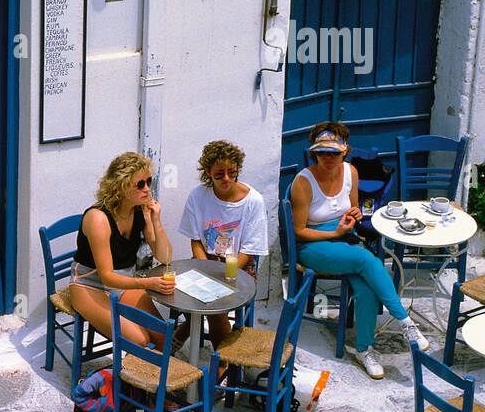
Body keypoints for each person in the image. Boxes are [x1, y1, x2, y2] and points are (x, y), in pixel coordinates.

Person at [290, 121, 430, 379]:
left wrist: (352, 217)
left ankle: (364, 349)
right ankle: (405, 322)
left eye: (334, 152)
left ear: (345, 151)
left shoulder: (351, 172)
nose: (328, 157)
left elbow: (353, 211)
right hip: (313, 244)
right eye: (322, 152)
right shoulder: (303, 182)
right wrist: (335, 233)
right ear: (314, 152)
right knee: (367, 260)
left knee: (367, 289)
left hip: (344, 239)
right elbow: (299, 231)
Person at [69, 151, 175, 349]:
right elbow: (107, 277)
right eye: (140, 184)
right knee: (140, 340)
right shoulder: (98, 219)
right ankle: (121, 379)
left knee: (163, 337)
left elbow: (165, 257)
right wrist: (149, 283)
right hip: (90, 285)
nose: (147, 189)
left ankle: (151, 378)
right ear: (121, 186)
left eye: (149, 181)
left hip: (123, 284)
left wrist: (156, 220)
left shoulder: (140, 210)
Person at [177, 140, 270, 347]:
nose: (226, 178)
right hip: (204, 261)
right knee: (178, 289)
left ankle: (221, 360)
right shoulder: (198, 196)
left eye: (232, 172)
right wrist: (207, 270)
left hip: (239, 266)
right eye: (219, 173)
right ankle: (194, 330)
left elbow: (248, 252)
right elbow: (196, 241)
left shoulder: (253, 201)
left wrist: (220, 275)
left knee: (214, 302)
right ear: (208, 172)